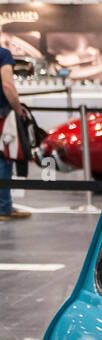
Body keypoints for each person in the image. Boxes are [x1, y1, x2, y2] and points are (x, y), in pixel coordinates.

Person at [0, 45, 32, 221]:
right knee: (4, 158)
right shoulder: (3, 55)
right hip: (1, 115)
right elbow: (7, 84)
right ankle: (3, 207)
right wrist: (18, 109)